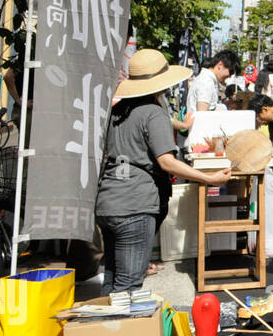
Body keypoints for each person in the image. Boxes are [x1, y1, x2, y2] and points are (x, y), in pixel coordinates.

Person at [96, 49, 231, 294]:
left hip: (108, 200)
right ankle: (121, 330)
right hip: (135, 204)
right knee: (129, 286)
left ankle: (103, 330)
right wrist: (209, 178)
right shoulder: (153, 112)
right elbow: (166, 162)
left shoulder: (118, 111)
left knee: (112, 279)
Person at [249, 93, 273, 261]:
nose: (260, 121)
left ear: (265, 109)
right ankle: (262, 244)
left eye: (259, 117)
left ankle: (266, 245)